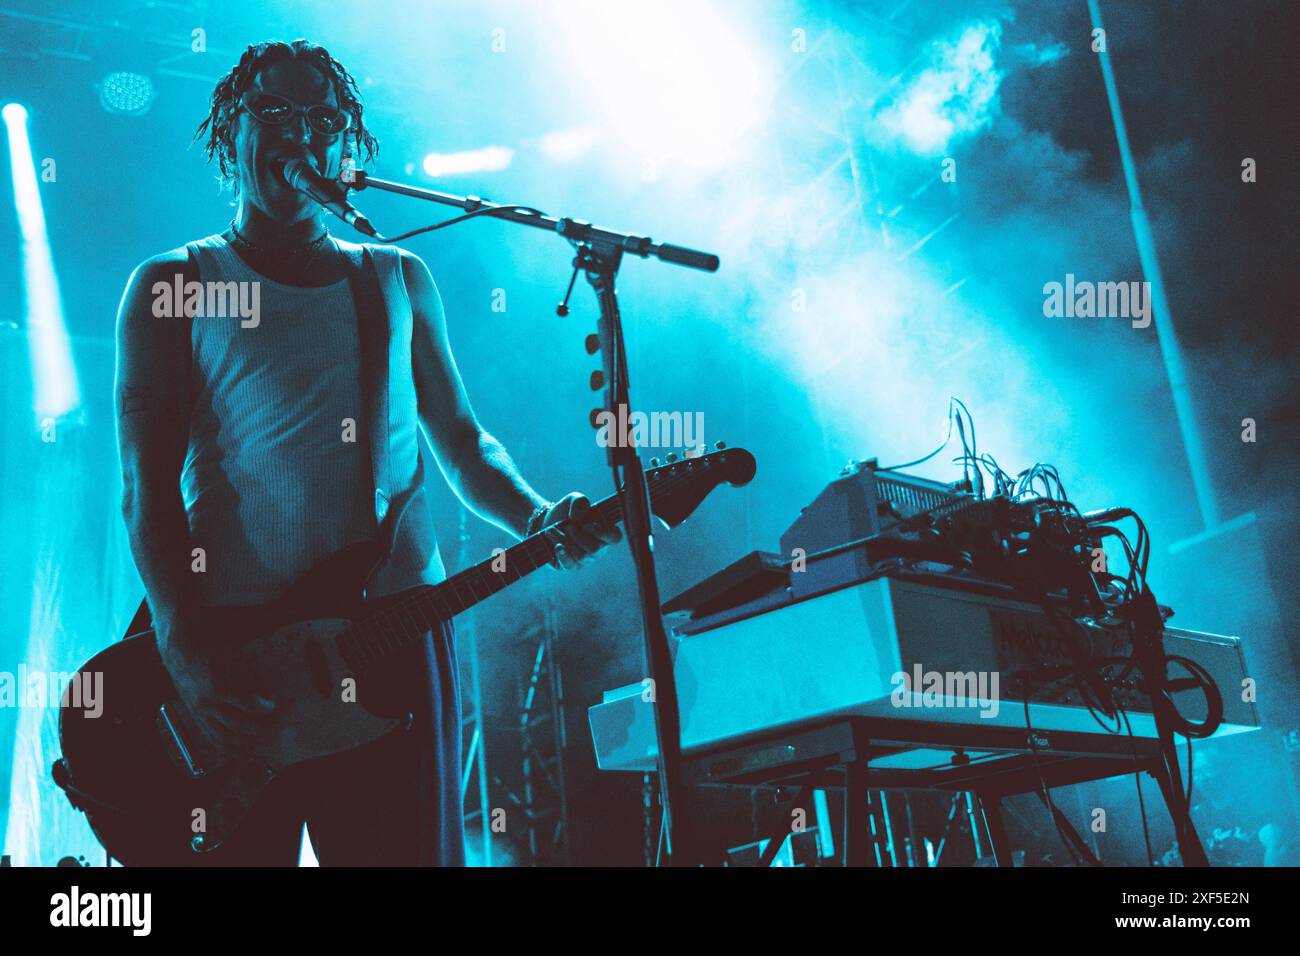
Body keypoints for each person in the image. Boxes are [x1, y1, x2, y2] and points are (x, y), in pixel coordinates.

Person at [114, 38, 620, 865]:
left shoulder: (395, 276)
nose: (298, 133)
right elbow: (148, 486)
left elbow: (462, 441)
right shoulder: (178, 279)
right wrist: (182, 642)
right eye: (271, 113)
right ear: (229, 136)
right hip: (240, 651)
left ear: (347, 144)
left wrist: (535, 515)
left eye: (321, 118)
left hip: (389, 635)